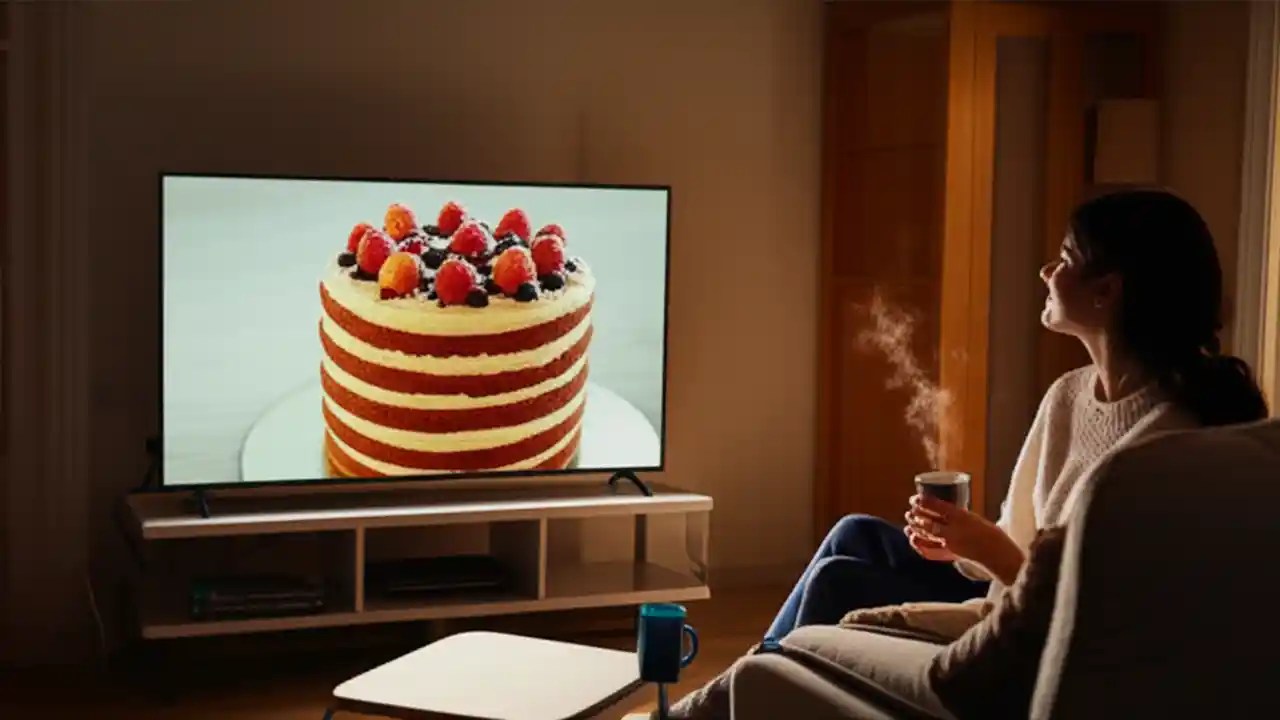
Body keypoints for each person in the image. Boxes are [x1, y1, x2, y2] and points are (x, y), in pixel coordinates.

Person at [652, 187, 1269, 719]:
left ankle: (738, 692)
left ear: (1107, 290)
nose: (1045, 273)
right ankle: (734, 691)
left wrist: (982, 548)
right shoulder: (1070, 396)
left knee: (838, 582)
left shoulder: (1157, 449)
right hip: (1004, 594)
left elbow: (1075, 606)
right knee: (854, 536)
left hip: (1021, 634)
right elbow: (1024, 540)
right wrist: (963, 546)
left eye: (1062, 260)